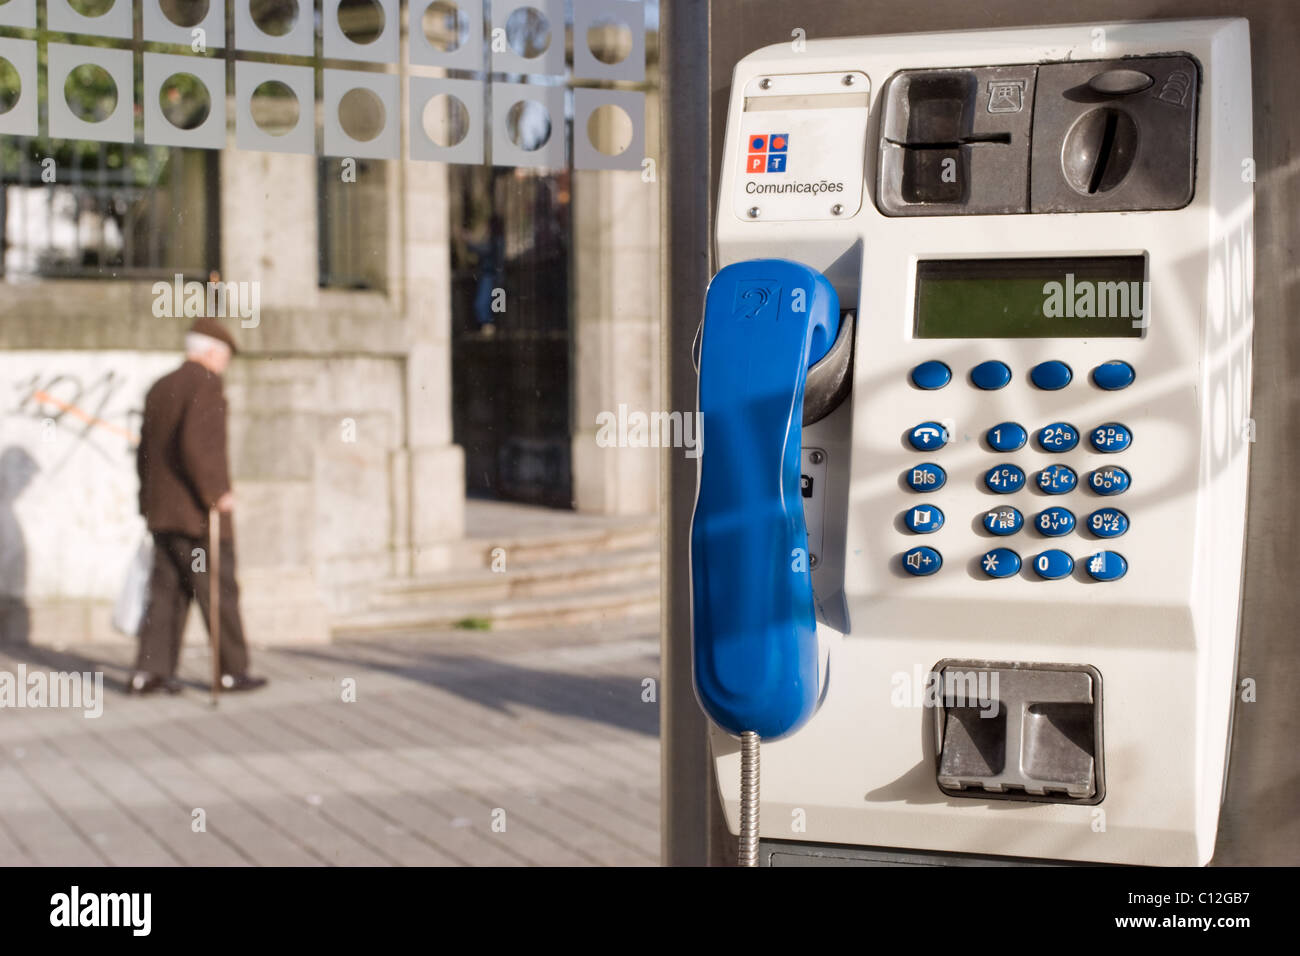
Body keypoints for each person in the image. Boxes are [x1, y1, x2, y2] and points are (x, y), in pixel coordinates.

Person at [129, 318, 267, 695]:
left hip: (163, 515)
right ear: (210, 351)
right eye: (223, 357)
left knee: (166, 593)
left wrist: (146, 503)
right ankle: (230, 671)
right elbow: (197, 447)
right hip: (197, 518)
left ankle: (149, 674)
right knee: (217, 590)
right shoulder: (205, 384)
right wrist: (217, 494)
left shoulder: (161, 386)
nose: (224, 365)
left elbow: (144, 452)